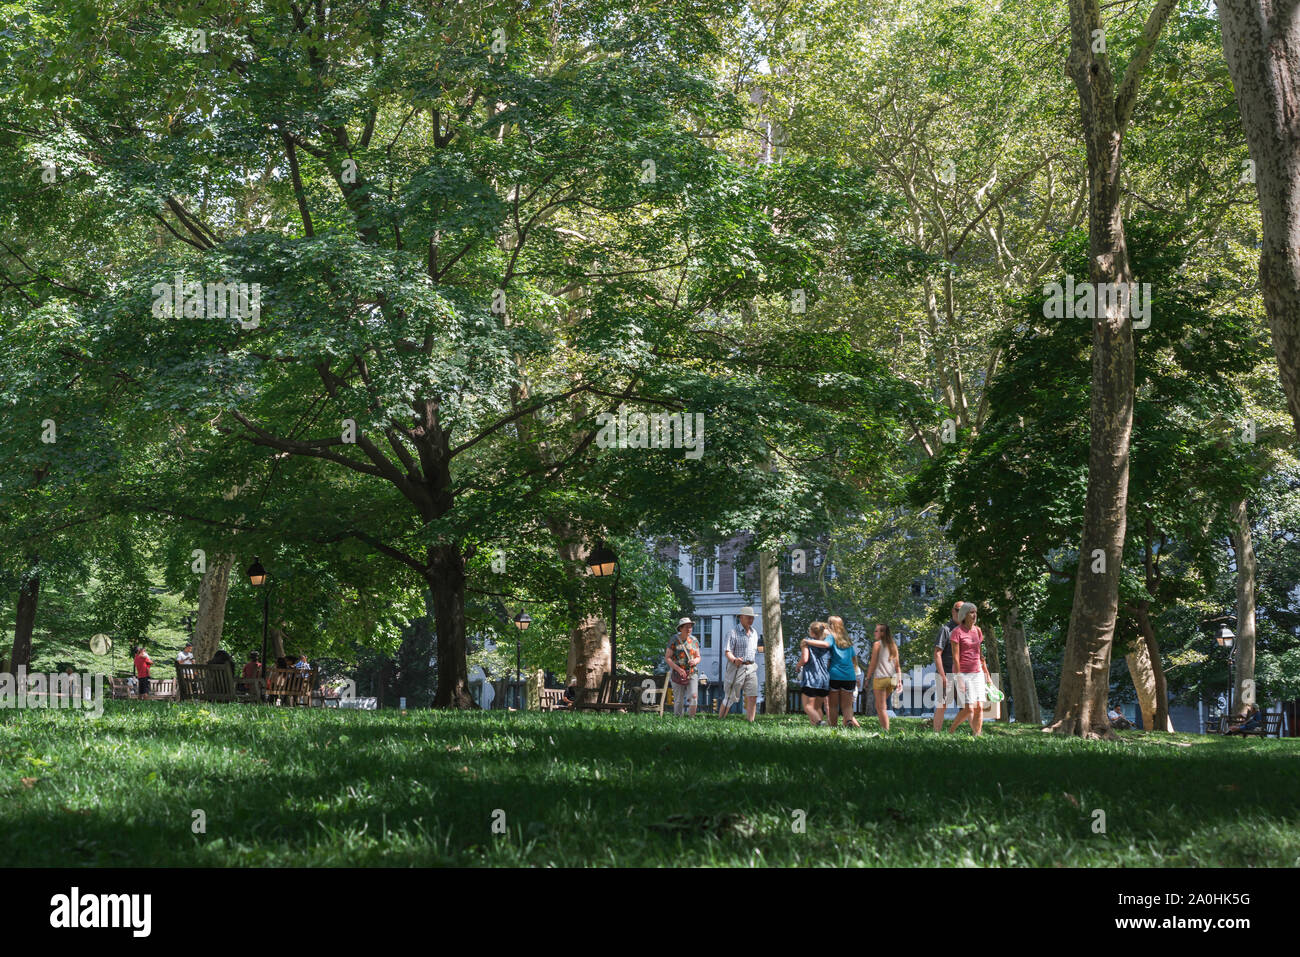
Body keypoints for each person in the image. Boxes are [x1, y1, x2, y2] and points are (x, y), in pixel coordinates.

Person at [947, 603, 992, 736]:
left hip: (977, 672)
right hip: (964, 673)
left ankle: (977, 735)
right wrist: (959, 678)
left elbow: (980, 654)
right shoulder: (956, 632)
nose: (974, 615)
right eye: (971, 612)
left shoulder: (977, 631)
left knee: (979, 707)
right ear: (964, 615)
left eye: (975, 612)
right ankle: (951, 730)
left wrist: (987, 674)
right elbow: (955, 658)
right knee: (969, 708)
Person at [721, 607, 760, 722]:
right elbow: (727, 651)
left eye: (752, 618)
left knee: (752, 696)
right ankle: (720, 720)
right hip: (736, 667)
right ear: (741, 618)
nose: (751, 620)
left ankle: (750, 722)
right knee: (730, 697)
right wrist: (734, 660)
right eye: (748, 617)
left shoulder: (754, 633)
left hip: (751, 667)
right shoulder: (732, 633)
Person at [824, 616, 861, 728]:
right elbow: (854, 659)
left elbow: (825, 647)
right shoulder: (847, 641)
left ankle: (833, 727)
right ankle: (849, 721)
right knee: (847, 706)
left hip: (835, 675)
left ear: (830, 625)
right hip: (849, 676)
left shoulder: (830, 638)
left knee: (833, 705)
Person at [932, 601, 963, 731]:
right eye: (958, 610)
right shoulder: (946, 630)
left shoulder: (968, 630)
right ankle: (936, 733)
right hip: (947, 673)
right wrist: (943, 676)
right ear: (953, 611)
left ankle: (970, 734)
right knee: (942, 704)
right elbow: (937, 653)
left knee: (967, 706)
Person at [867, 623, 901, 732]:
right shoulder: (893, 645)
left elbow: (873, 663)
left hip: (881, 679)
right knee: (880, 706)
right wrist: (899, 681)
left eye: (877, 631)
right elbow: (898, 666)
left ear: (882, 633)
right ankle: (884, 728)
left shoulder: (877, 645)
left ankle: (886, 731)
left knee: (881, 707)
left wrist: (867, 678)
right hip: (892, 680)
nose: (874, 632)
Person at [665, 617, 701, 716]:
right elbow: (667, 658)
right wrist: (678, 669)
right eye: (686, 627)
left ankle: (691, 720)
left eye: (690, 627)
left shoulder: (694, 640)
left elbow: (698, 657)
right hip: (677, 673)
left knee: (694, 697)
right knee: (679, 700)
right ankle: (677, 720)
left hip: (692, 672)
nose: (689, 629)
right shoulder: (674, 640)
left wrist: (695, 661)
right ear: (680, 628)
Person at [798, 621, 832, 726]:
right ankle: (817, 728)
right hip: (824, 680)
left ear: (812, 633)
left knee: (808, 706)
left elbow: (805, 658)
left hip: (811, 678)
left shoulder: (806, 643)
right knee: (817, 707)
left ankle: (819, 722)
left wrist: (798, 665)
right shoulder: (827, 645)